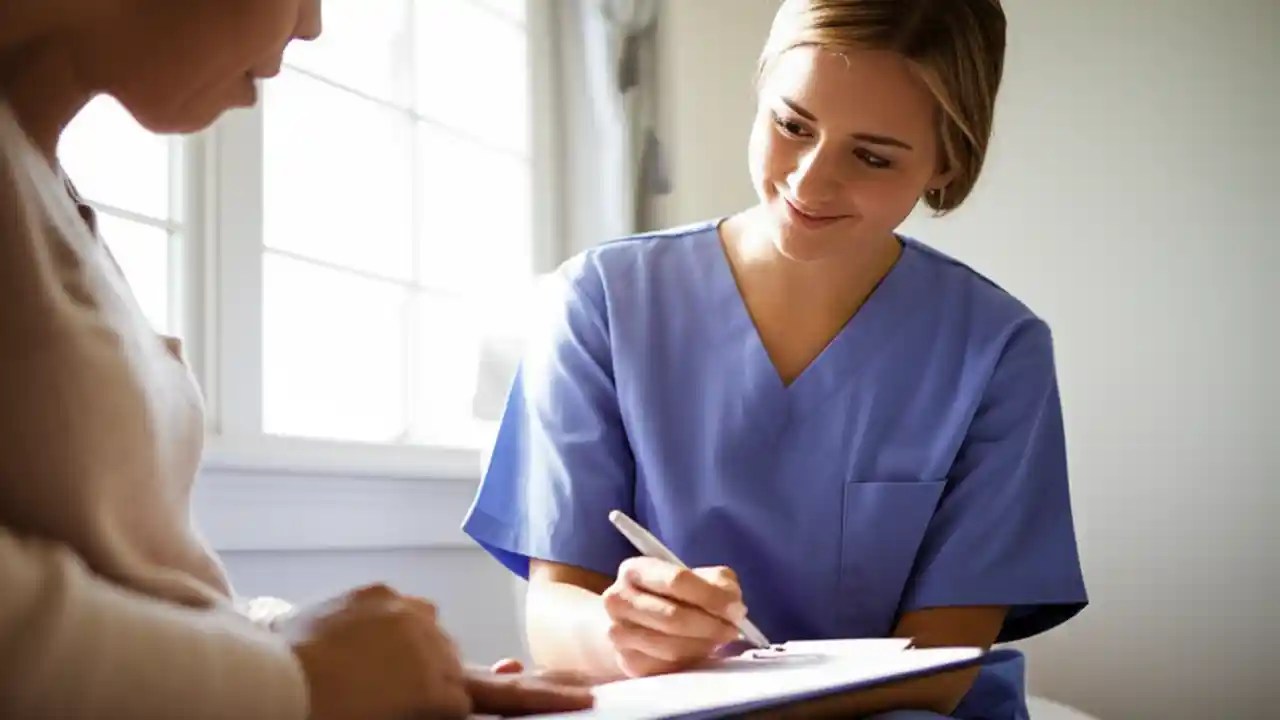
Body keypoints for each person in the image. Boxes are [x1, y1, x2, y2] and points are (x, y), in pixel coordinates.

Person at [463, 0, 1088, 717]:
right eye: (792, 125)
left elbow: (945, 666)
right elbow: (557, 607)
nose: (810, 181)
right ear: (762, 87)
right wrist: (626, 638)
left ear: (948, 161)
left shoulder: (998, 350)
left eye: (872, 155)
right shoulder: (599, 302)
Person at [0, 1, 592, 718]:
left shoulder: (44, 186)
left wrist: (314, 651)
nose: (310, 24)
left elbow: (110, 568)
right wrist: (295, 679)